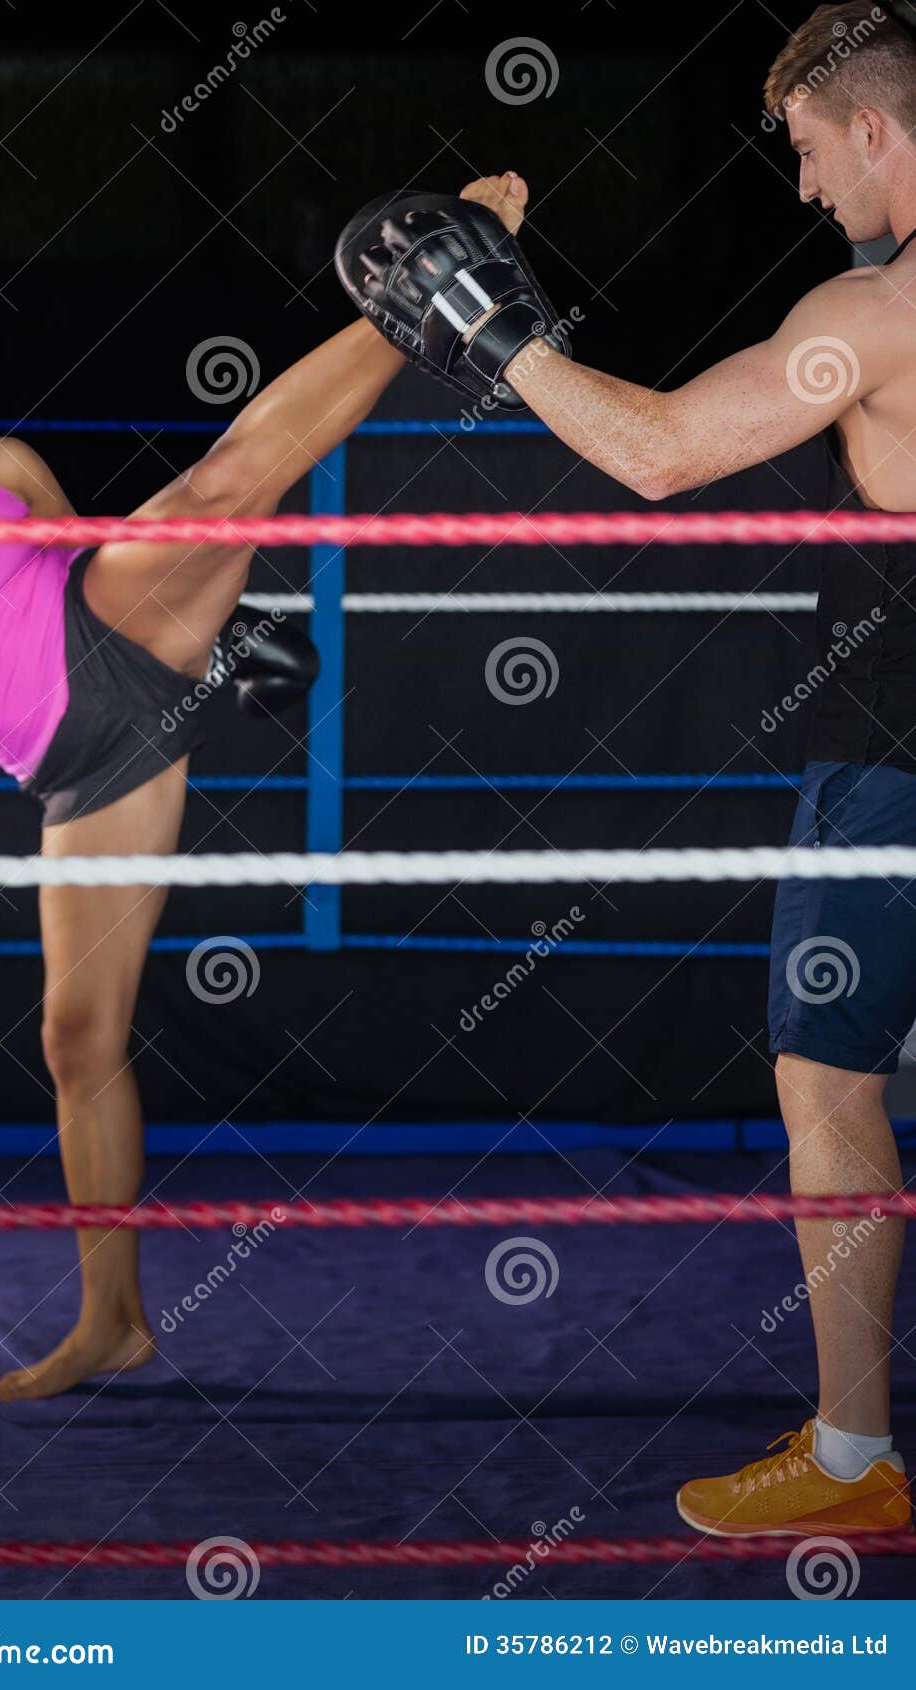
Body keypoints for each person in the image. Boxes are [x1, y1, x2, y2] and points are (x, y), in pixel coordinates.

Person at [338, 6, 916, 1536]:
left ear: (873, 128)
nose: (802, 188)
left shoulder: (878, 316)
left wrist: (501, 332)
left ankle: (853, 1461)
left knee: (828, 1079)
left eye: (805, 149)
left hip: (891, 763)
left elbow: (657, 453)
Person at [0, 172, 527, 1401]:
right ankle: (115, 1321)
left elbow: (91, 571)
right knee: (76, 1037)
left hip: (112, 652)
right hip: (86, 768)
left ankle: (421, 290)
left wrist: (208, 624)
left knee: (221, 485)